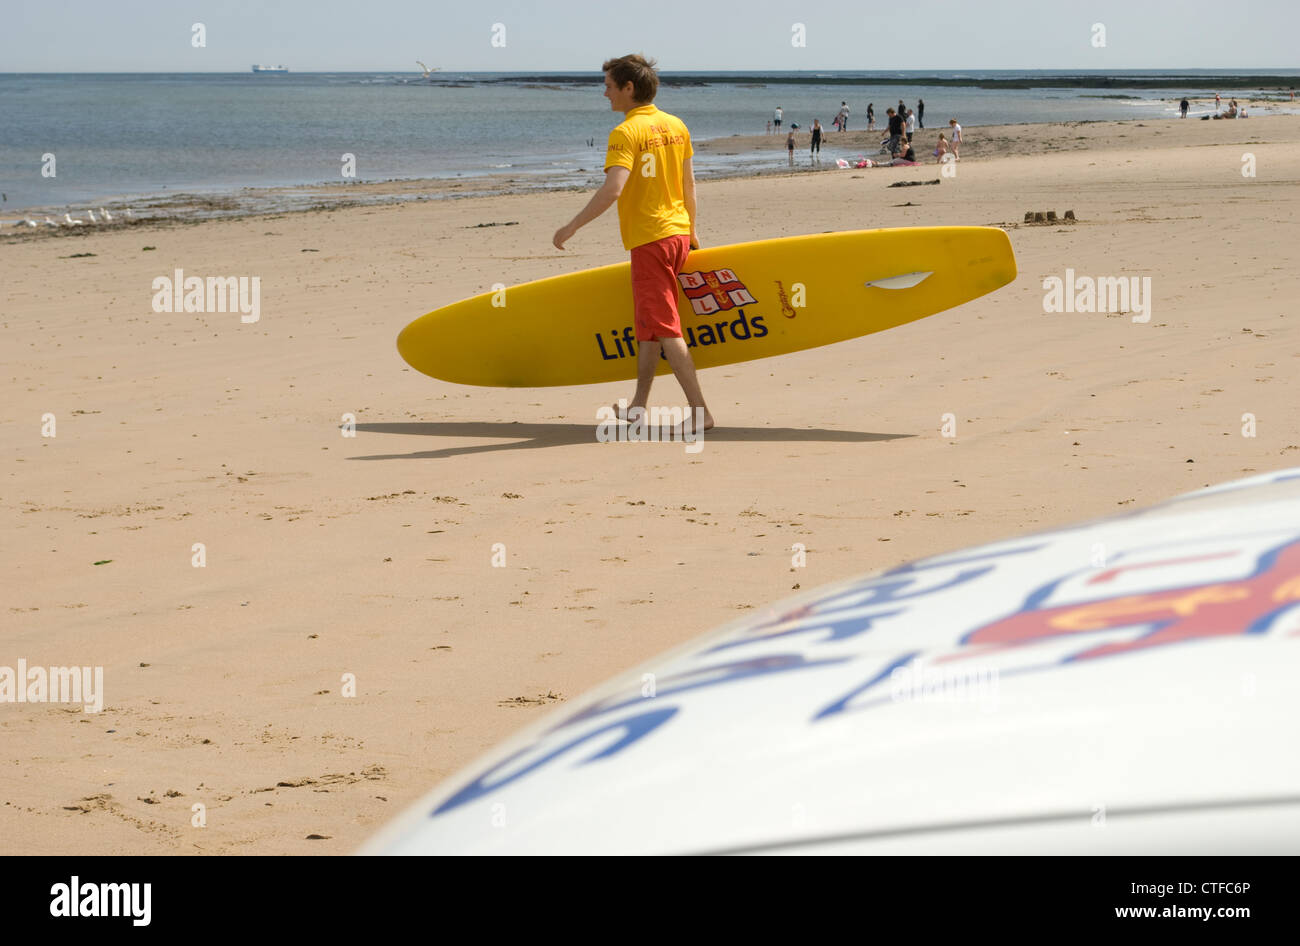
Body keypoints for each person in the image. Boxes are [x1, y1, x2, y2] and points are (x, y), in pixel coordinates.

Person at [553, 53, 712, 432]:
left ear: (629, 88)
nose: (604, 93)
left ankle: (701, 412)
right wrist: (690, 230)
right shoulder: (675, 125)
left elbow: (613, 189)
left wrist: (572, 226)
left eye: (609, 85)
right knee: (649, 329)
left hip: (651, 240)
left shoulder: (625, 133)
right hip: (675, 234)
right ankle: (638, 408)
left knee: (667, 329)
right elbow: (689, 185)